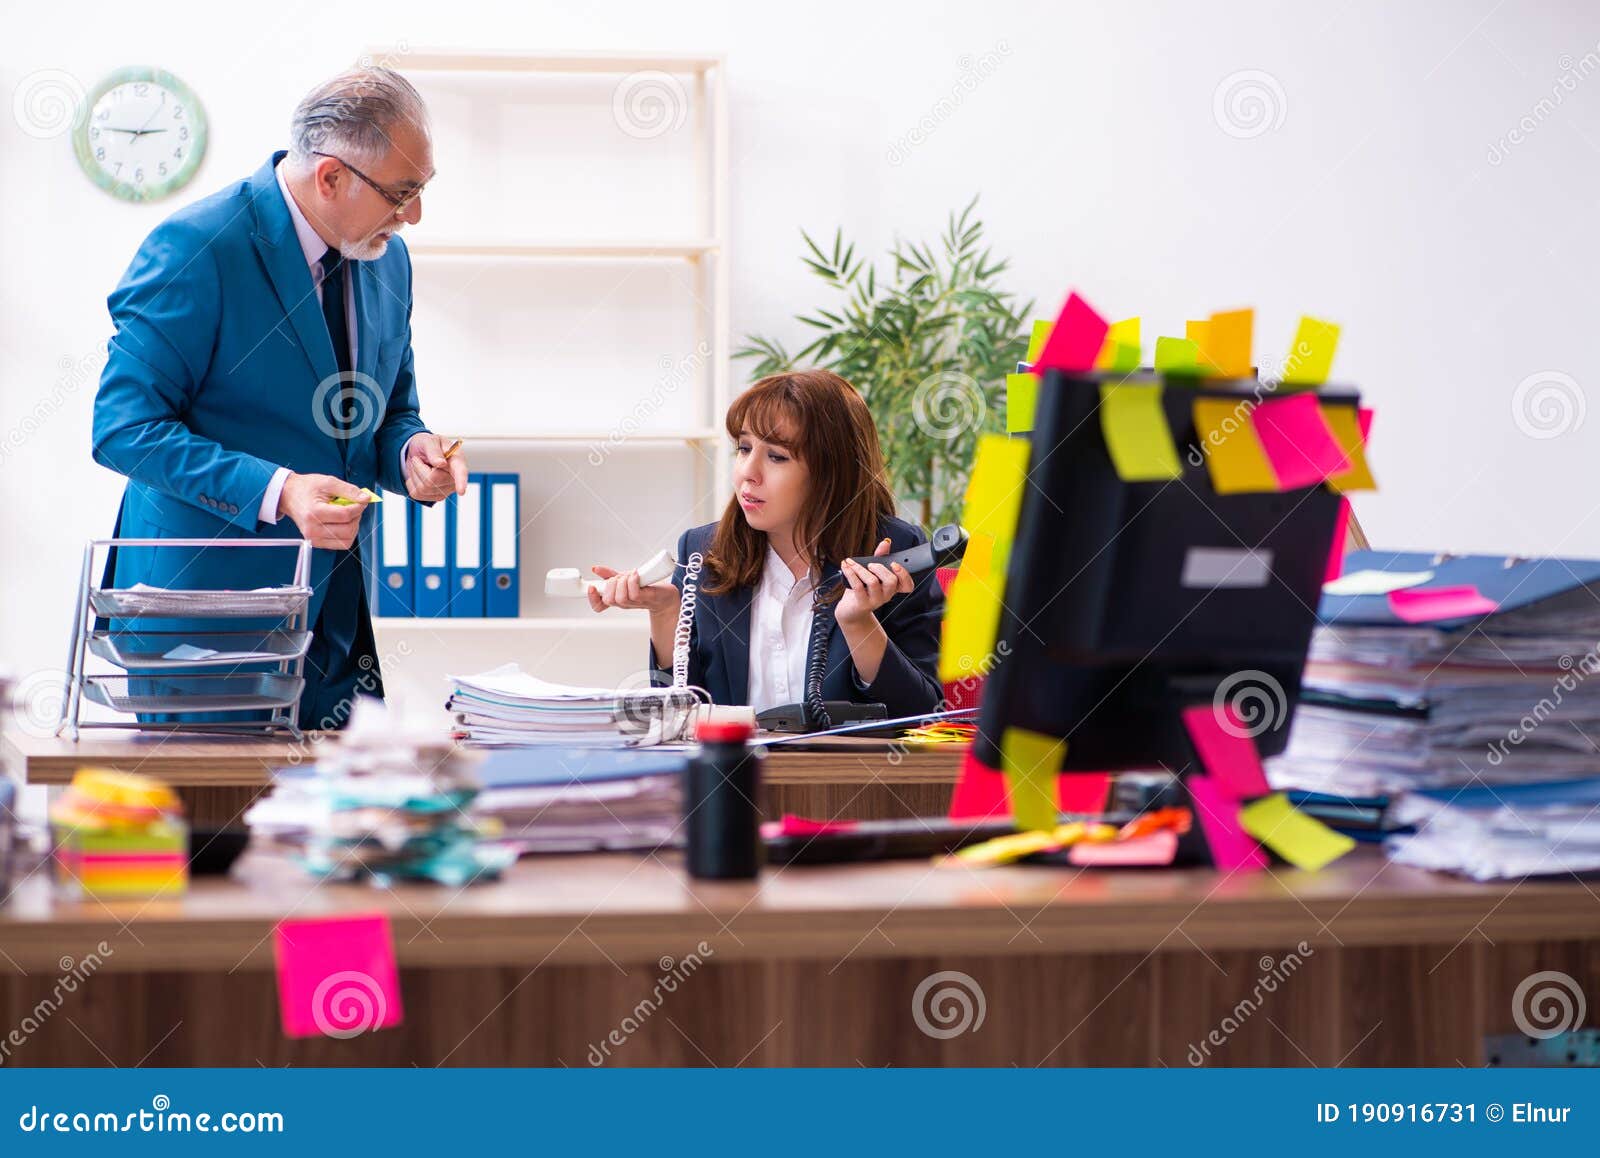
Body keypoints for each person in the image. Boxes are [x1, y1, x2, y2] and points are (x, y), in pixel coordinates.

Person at [91, 68, 466, 729]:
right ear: (330, 178)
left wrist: (412, 452)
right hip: (204, 626)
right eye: (402, 193)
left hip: (339, 629)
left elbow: (389, 410)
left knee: (344, 832)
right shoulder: (199, 247)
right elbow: (124, 428)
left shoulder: (388, 259)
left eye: (423, 189)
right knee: (218, 832)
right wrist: (281, 490)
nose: (414, 216)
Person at [587, 369, 943, 719]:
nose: (747, 472)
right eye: (743, 449)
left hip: (846, 776)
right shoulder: (703, 553)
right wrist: (666, 614)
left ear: (832, 471)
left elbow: (920, 713)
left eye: (776, 457)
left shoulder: (895, 549)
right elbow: (676, 718)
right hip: (735, 773)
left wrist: (858, 622)